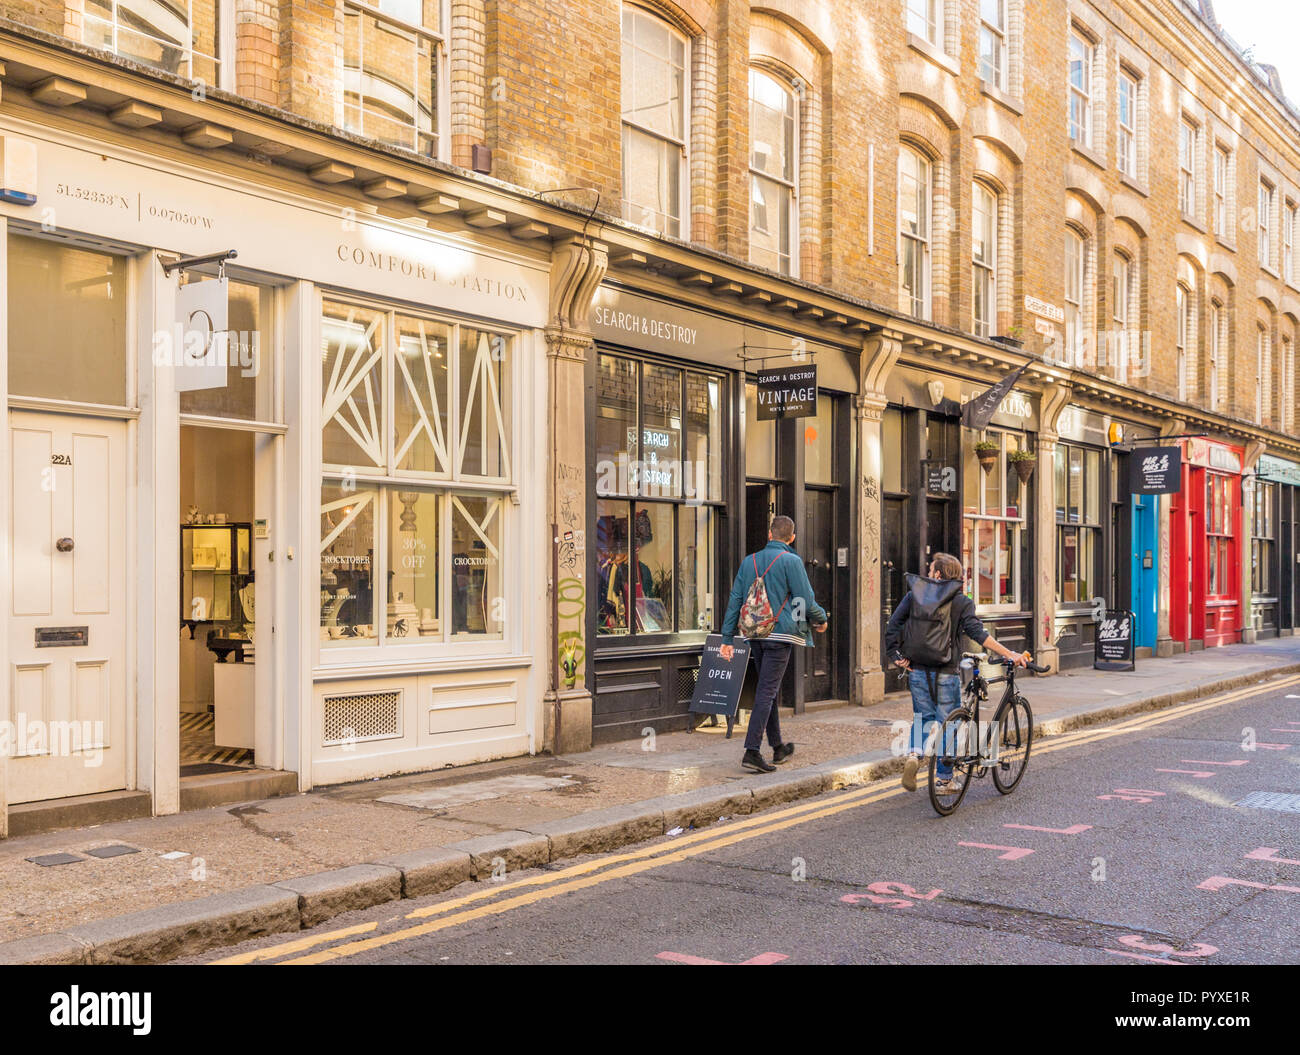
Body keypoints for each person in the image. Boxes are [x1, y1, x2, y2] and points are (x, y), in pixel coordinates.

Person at [884, 552, 1028, 793]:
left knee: (922, 716)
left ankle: (914, 753)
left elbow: (893, 625)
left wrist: (897, 656)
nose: (929, 574)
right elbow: (978, 634)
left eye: (931, 570)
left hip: (917, 668)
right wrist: (1009, 653)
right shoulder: (961, 602)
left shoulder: (914, 596)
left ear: (938, 574)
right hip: (946, 671)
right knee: (947, 724)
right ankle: (944, 779)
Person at [719, 515, 828, 773]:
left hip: (754, 633)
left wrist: (726, 638)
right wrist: (821, 619)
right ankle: (752, 751)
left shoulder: (749, 562)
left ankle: (778, 746)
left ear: (769, 534)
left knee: (768, 690)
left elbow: (735, 599)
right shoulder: (792, 561)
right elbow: (804, 599)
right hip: (779, 635)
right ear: (791, 538)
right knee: (767, 692)